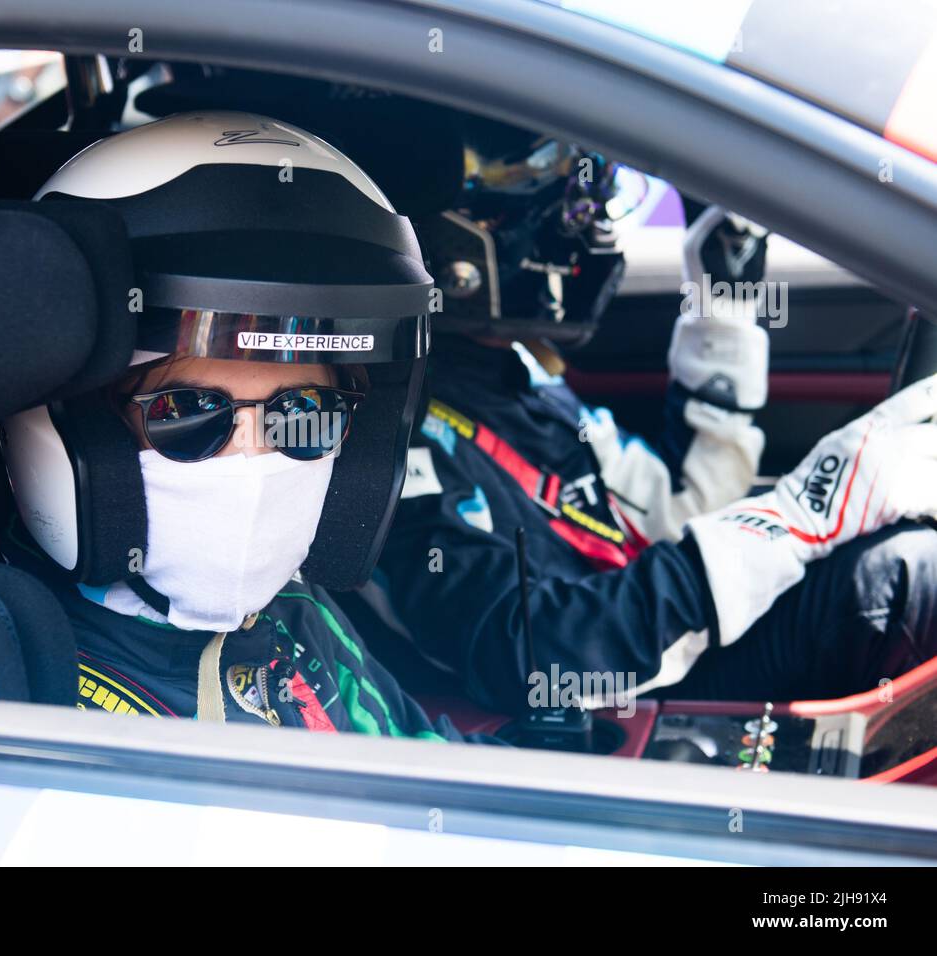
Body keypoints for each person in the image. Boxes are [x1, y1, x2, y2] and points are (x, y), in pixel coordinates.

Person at [367, 134, 937, 710]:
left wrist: (724, 310)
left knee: (895, 552)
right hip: (594, 719)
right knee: (901, 577)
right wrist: (800, 517)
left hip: (648, 654)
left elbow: (681, 512)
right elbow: (528, 659)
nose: (597, 229)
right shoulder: (382, 445)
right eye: (576, 209)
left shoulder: (518, 378)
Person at [0, 111, 503, 741]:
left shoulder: (298, 616)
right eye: (186, 414)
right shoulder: (13, 686)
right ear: (74, 427)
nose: (252, 460)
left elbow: (433, 769)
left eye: (303, 416)